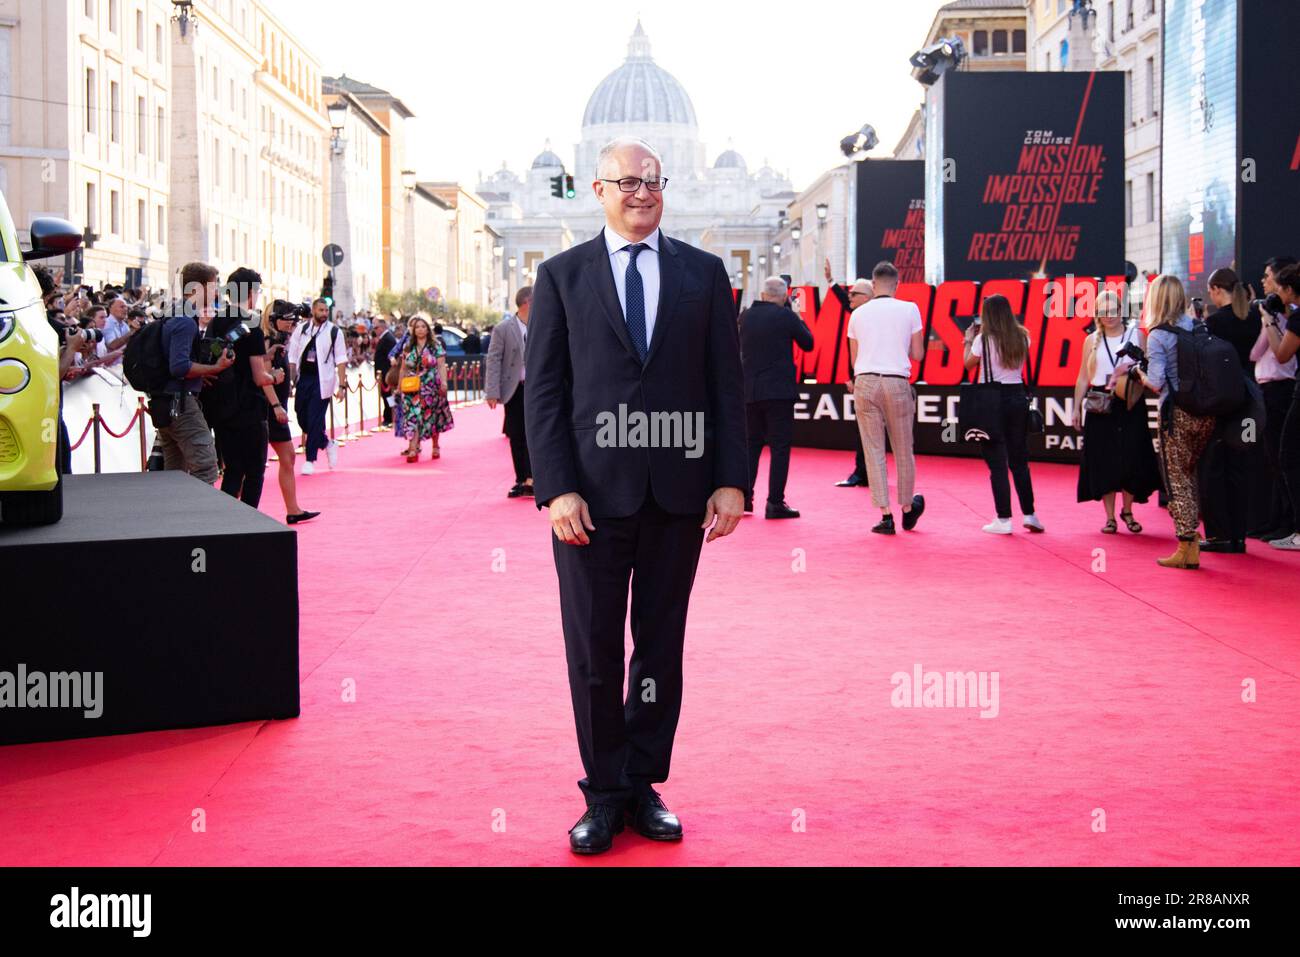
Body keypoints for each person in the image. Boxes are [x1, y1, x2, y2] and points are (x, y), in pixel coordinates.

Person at [525, 136, 746, 855]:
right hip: (588, 498)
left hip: (678, 497)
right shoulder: (560, 275)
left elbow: (726, 386)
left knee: (659, 648)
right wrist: (555, 487)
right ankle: (604, 790)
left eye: (653, 180)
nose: (642, 191)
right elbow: (547, 395)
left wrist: (731, 478)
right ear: (598, 188)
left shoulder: (705, 274)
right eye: (627, 181)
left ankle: (645, 782)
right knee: (592, 651)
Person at [1138, 274, 1214, 569]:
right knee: (1192, 473)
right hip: (1206, 410)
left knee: (1177, 478)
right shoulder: (1196, 325)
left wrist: (1138, 373)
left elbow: (1156, 383)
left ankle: (1186, 545)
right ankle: (1193, 541)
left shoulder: (1158, 334)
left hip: (1176, 411)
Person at [1073, 289, 1161, 532]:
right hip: (1100, 404)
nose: (1109, 316)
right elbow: (1083, 378)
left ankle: (1128, 511)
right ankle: (1110, 517)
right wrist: (1076, 408)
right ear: (1097, 315)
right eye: (1103, 312)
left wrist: (1129, 370)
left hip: (1129, 402)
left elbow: (1148, 369)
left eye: (1113, 310)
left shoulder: (1136, 335)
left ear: (1121, 310)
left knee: (1131, 458)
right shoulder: (1091, 340)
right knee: (1105, 461)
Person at [847, 260, 926, 534]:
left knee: (873, 450)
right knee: (903, 448)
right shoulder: (910, 309)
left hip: (865, 382)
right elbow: (918, 354)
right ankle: (907, 507)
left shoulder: (857, 314)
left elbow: (854, 358)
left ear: (872, 283)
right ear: (897, 283)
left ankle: (885, 515)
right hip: (896, 381)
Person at [963, 294, 1044, 534]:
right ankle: (1030, 514)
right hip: (1017, 397)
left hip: (991, 401)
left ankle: (1003, 519)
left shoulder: (982, 340)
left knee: (997, 463)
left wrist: (967, 341)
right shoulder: (1023, 337)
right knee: (1020, 461)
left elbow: (968, 365)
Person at [1197, 267, 1262, 553]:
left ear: (1215, 290)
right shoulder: (1254, 320)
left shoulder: (1216, 323)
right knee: (1241, 466)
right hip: (1250, 402)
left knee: (1214, 466)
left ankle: (1219, 535)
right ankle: (1239, 534)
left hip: (1223, 402)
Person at [740, 275, 813, 518]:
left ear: (762, 294)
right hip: (779, 392)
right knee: (780, 448)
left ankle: (745, 498)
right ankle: (775, 503)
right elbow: (808, 343)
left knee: (751, 445)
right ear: (783, 297)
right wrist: (796, 315)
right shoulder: (785, 316)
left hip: (750, 390)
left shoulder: (746, 317)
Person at [152, 262, 231, 483]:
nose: (217, 291)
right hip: (181, 405)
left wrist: (200, 373)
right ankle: (200, 517)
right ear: (198, 288)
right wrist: (215, 368)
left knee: (175, 472)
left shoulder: (174, 313)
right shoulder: (185, 321)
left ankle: (174, 516)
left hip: (168, 402)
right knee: (206, 468)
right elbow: (179, 367)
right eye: (214, 286)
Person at [1250, 261, 1298, 542]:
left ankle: (1289, 522)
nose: (1266, 283)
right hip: (1274, 392)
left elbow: (1266, 353)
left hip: (1281, 391)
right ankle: (1280, 520)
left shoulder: (1284, 319)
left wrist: (1268, 320)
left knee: (1283, 457)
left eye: (1271, 280)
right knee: (1275, 457)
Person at [260, 303, 318, 524]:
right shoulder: (268, 341)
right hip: (268, 409)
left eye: (294, 319)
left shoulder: (280, 340)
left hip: (276, 407)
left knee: (288, 457)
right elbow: (263, 376)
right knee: (255, 463)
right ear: (273, 318)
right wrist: (276, 406)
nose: (292, 323)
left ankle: (293, 509)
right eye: (288, 319)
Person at [825, 259, 873, 487]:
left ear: (867, 297)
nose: (850, 297)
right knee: (866, 429)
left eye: (854, 294)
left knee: (866, 429)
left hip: (870, 379)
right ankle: (865, 472)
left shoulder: (869, 317)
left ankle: (864, 473)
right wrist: (831, 281)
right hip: (869, 377)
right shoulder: (861, 314)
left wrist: (856, 378)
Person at [287, 299, 347, 476]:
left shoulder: (334, 332)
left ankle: (309, 459)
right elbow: (292, 356)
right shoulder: (302, 329)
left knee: (314, 418)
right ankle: (327, 443)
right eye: (321, 310)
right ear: (313, 311)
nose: (324, 313)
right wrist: (291, 381)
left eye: (326, 310)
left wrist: (341, 386)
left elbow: (341, 359)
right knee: (301, 416)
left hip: (323, 381)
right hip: (303, 379)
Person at [485, 286, 533, 497]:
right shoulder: (503, 329)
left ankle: (534, 478)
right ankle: (522, 478)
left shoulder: (543, 325)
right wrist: (492, 391)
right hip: (514, 390)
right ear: (527, 303)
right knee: (517, 435)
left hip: (538, 390)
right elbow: (493, 360)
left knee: (536, 434)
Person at [394, 316, 453, 462]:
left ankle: (435, 445)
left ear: (428, 329)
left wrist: (444, 383)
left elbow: (441, 366)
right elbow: (402, 368)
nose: (420, 329)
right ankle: (413, 448)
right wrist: (399, 386)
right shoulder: (408, 346)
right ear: (413, 330)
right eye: (417, 327)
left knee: (432, 417)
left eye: (423, 326)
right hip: (411, 388)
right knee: (412, 417)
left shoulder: (435, 345)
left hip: (431, 387)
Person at [372, 318, 396, 431]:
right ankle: (389, 416)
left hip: (386, 374)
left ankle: (390, 417)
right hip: (382, 374)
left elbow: (391, 358)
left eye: (376, 328)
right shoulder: (385, 338)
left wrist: (389, 375)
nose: (375, 330)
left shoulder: (388, 339)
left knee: (388, 396)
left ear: (382, 327)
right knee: (386, 396)